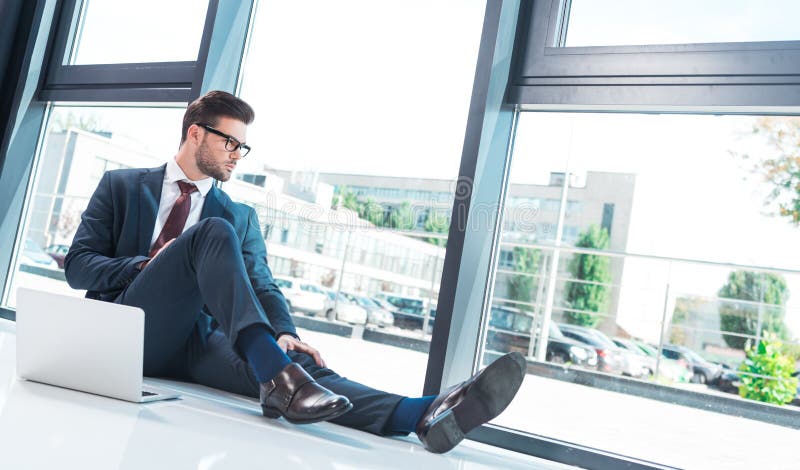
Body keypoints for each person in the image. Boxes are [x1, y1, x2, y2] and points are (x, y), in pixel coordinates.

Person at [64, 90, 525, 454]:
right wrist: (153, 265)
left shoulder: (238, 214)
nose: (236, 154)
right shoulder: (123, 186)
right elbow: (80, 267)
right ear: (194, 134)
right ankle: (278, 374)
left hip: (197, 342)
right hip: (128, 330)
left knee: (290, 365)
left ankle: (421, 414)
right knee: (212, 237)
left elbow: (262, 283)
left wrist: (284, 331)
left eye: (243, 146)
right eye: (229, 141)